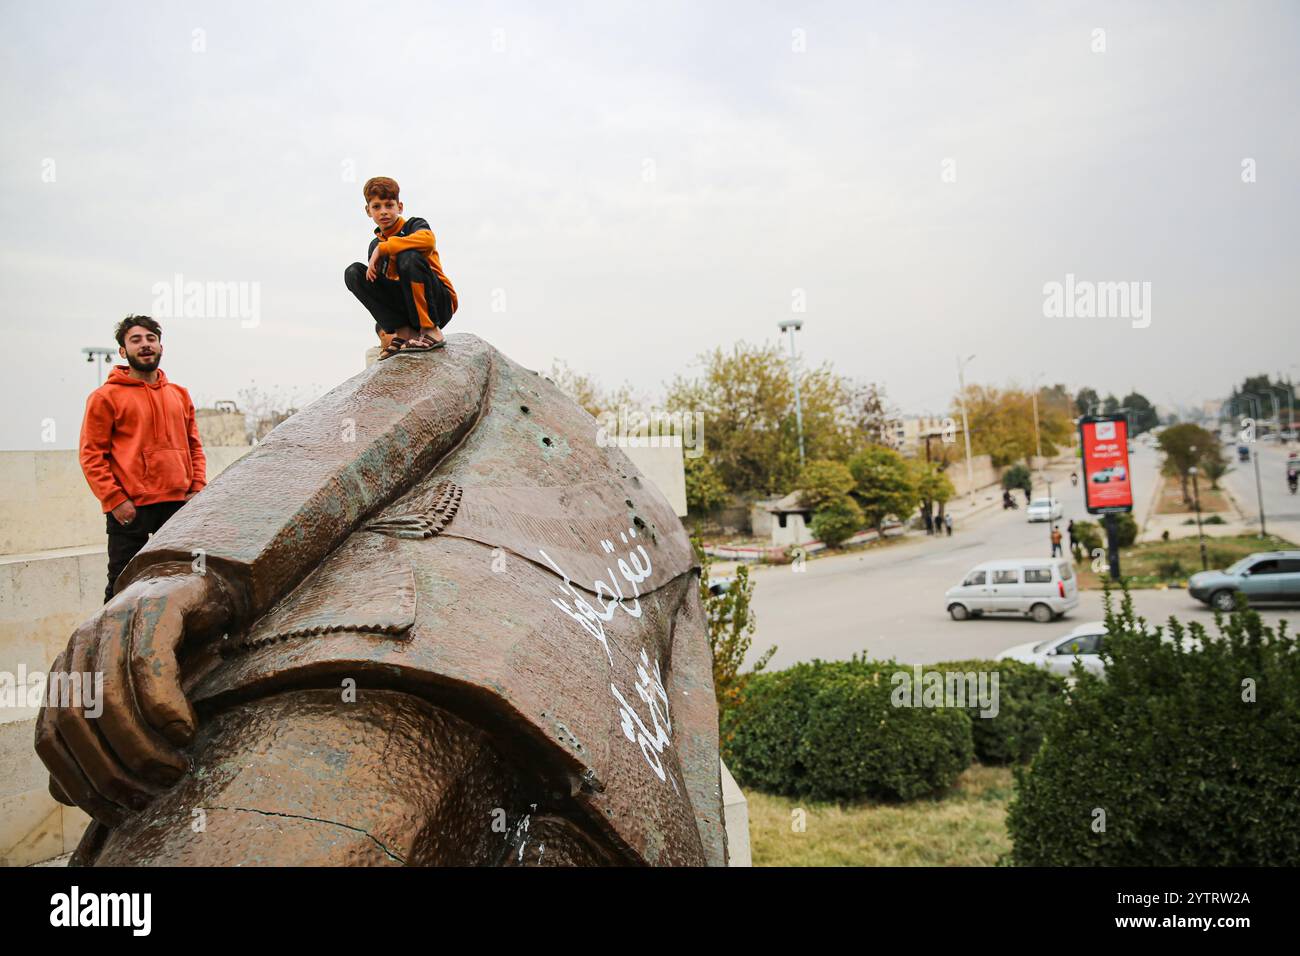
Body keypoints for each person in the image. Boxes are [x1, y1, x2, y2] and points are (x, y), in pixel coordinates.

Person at [79, 316, 206, 603]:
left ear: (160, 346)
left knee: (189, 579)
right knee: (122, 587)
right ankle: (109, 647)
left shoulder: (179, 395)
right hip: (131, 509)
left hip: (178, 505)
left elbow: (194, 447)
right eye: (135, 340)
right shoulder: (105, 397)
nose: (145, 345)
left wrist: (197, 488)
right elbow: (91, 455)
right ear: (123, 351)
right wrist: (115, 501)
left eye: (151, 339)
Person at [344, 176, 457, 360]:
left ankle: (432, 330)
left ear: (400, 207)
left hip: (437, 305)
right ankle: (403, 332)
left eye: (389, 205)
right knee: (353, 273)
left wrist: (385, 247)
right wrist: (379, 249)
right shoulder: (375, 246)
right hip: (407, 310)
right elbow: (380, 288)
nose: (384, 212)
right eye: (377, 207)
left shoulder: (414, 225)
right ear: (368, 210)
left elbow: (428, 241)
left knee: (408, 256)